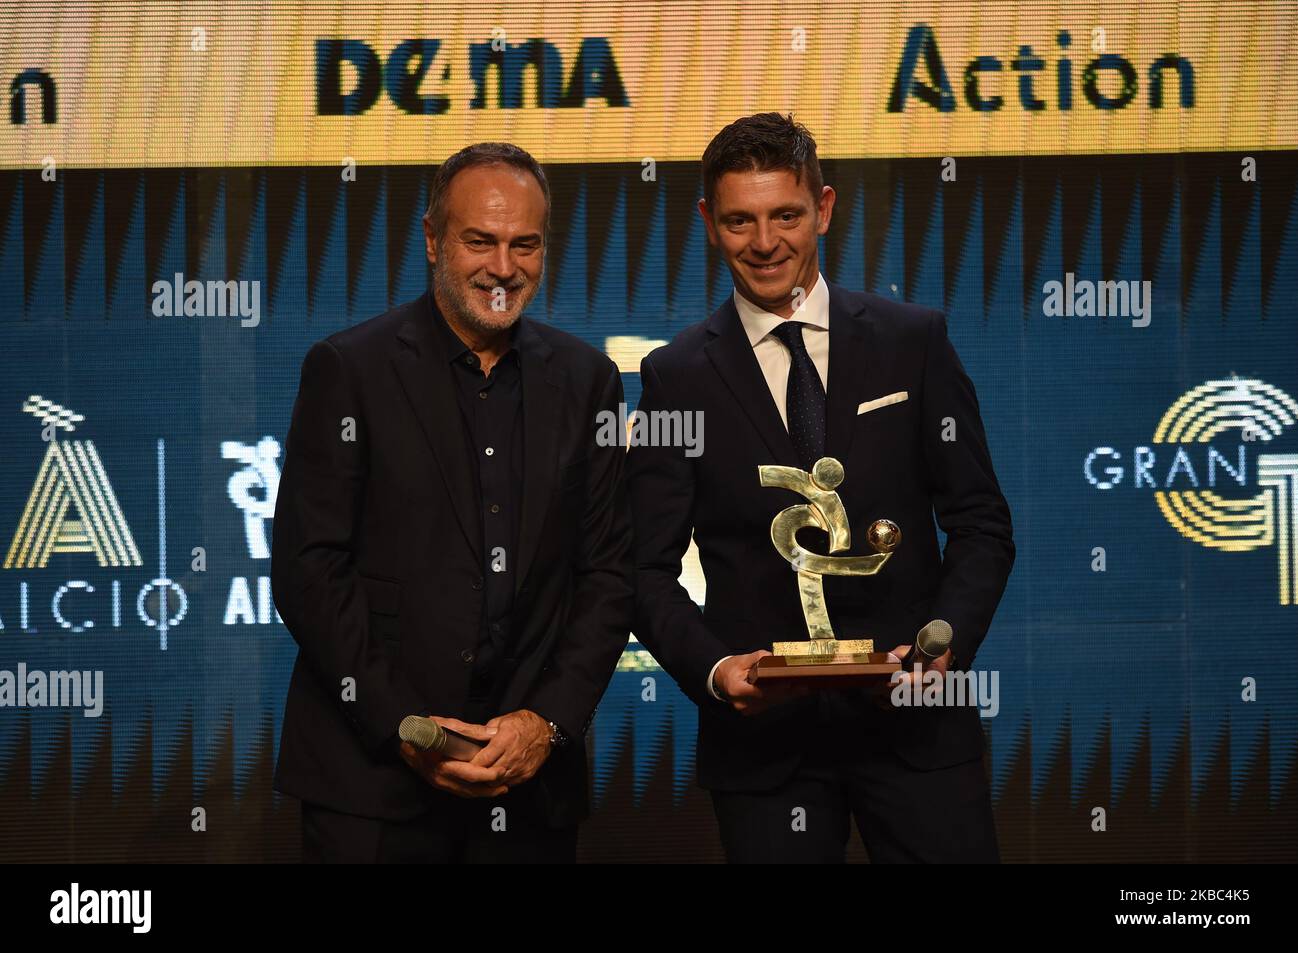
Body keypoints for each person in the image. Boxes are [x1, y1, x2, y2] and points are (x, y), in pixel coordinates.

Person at [627, 113, 1015, 862]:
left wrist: (945, 647)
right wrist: (713, 668)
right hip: (766, 751)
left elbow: (980, 522)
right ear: (709, 222)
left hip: (918, 731)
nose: (765, 241)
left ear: (826, 208)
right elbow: (642, 567)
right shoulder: (676, 376)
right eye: (739, 220)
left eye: (786, 215)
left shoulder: (913, 341)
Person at [272, 142, 634, 863]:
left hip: (530, 787)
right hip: (370, 789)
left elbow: (609, 575)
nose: (503, 267)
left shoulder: (589, 381)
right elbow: (310, 570)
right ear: (434, 238)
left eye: (524, 244)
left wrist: (546, 723)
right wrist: (405, 725)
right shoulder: (349, 370)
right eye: (481, 241)